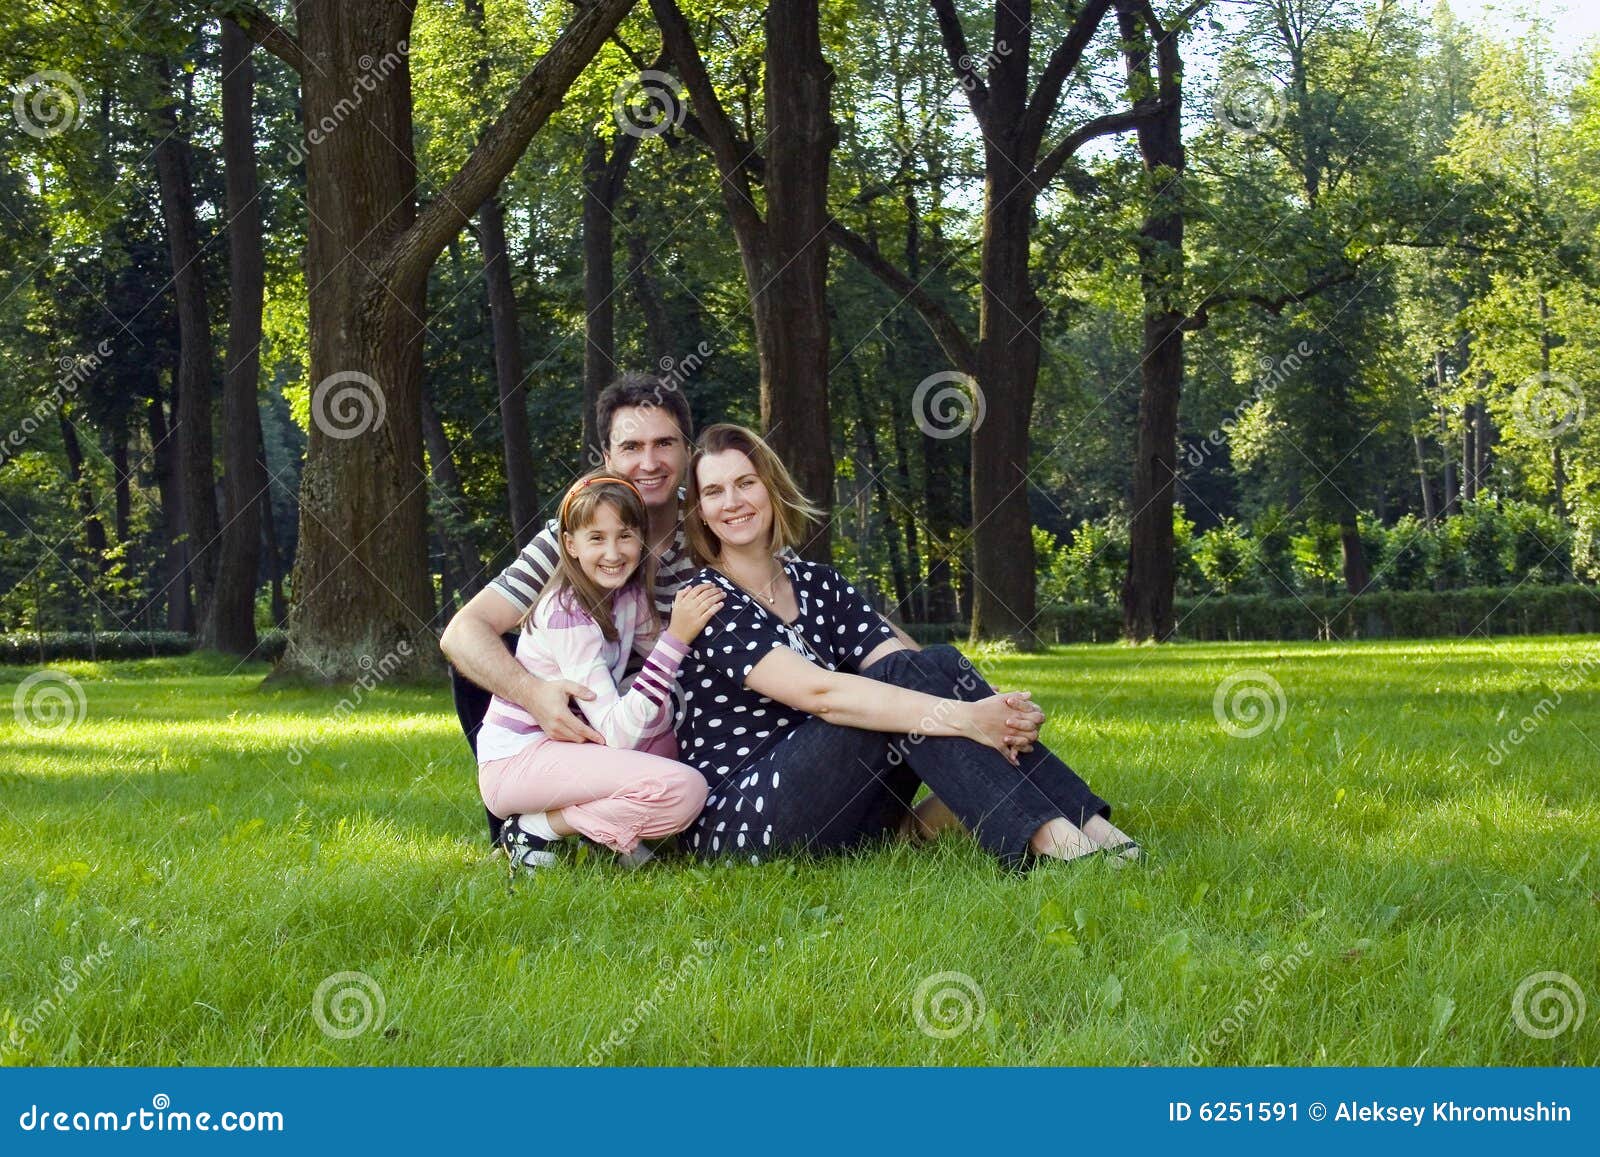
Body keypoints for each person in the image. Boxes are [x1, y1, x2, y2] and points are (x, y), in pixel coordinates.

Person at [440, 372, 946, 847]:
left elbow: (814, 602)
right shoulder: (576, 534)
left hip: (680, 720)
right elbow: (462, 631)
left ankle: (647, 817)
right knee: (488, 659)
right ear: (606, 456)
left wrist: (923, 673)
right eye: (631, 447)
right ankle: (519, 829)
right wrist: (532, 694)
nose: (649, 462)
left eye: (664, 443)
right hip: (584, 711)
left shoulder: (716, 518)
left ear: (686, 450)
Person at [674, 423, 1140, 869]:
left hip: (841, 805)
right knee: (907, 688)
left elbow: (903, 664)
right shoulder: (708, 601)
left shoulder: (818, 584)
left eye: (746, 482)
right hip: (751, 813)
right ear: (699, 511)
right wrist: (970, 717)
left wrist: (1000, 709)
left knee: (933, 663)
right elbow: (821, 695)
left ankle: (1094, 831)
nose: (732, 502)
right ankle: (1053, 837)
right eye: (714, 492)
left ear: (771, 488)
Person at [475, 473, 721, 869]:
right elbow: (618, 734)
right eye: (596, 538)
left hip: (572, 749)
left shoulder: (627, 596)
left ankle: (604, 838)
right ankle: (539, 828)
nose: (613, 552)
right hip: (517, 762)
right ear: (570, 545)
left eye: (625, 536)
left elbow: (667, 674)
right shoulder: (566, 615)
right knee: (684, 789)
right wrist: (678, 635)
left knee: (664, 722)